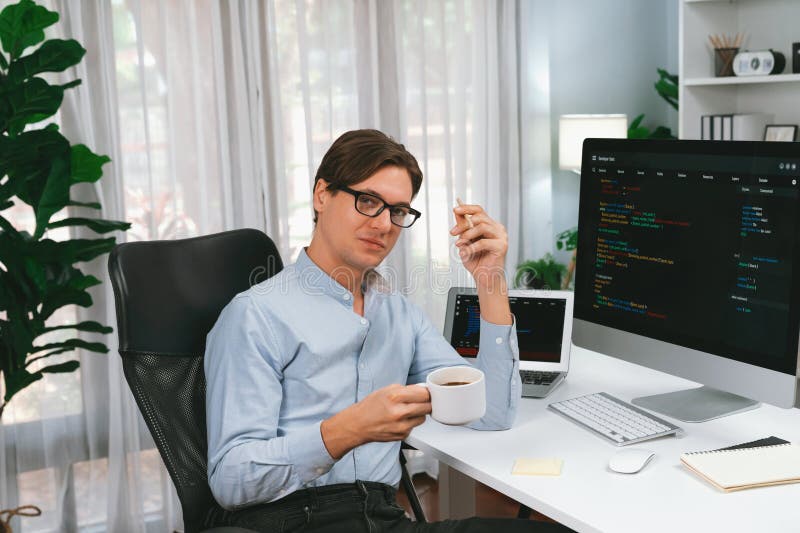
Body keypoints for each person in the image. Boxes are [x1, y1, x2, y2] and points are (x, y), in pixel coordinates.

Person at [204, 129, 571, 532]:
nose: (383, 224)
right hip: (294, 521)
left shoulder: (399, 315)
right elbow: (230, 481)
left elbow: (493, 413)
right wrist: (346, 430)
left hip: (383, 519)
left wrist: (490, 280)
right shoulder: (255, 316)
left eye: (397, 211)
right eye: (368, 202)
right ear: (321, 195)